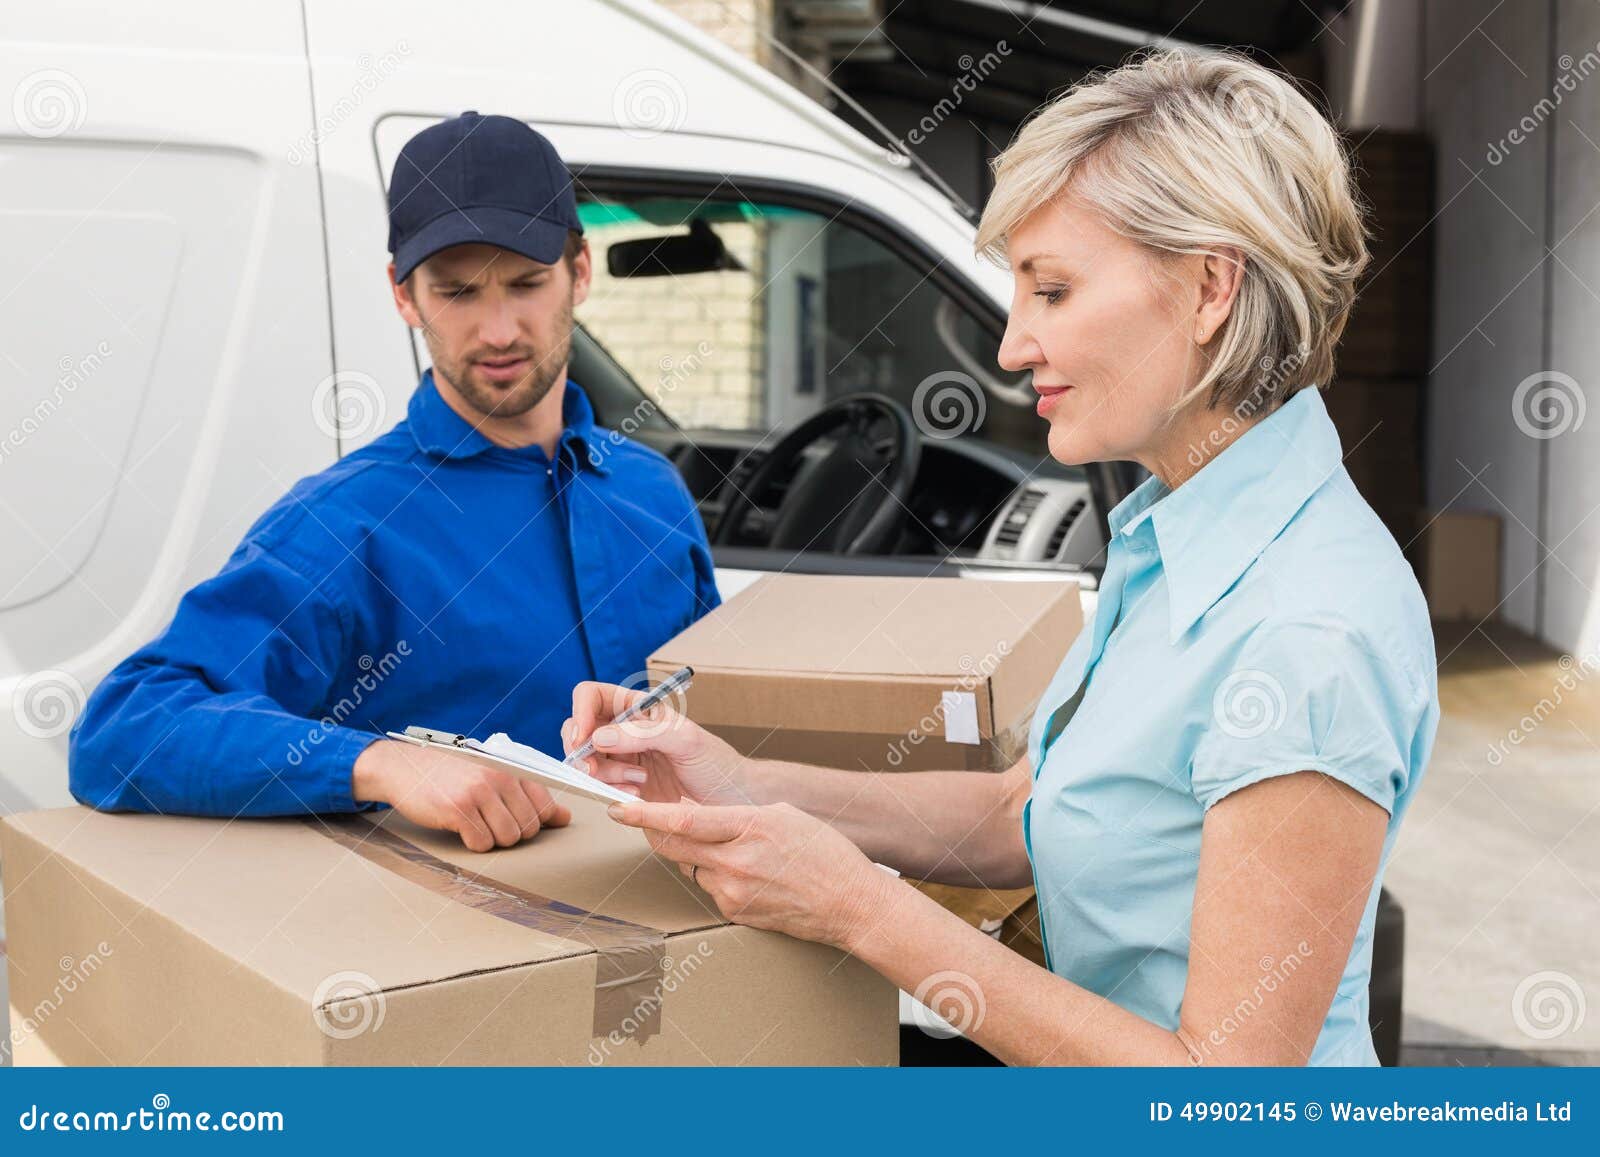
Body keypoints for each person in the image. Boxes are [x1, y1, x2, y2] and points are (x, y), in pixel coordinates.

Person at [566, 50, 1438, 1065]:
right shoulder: (1180, 533)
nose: (1012, 343)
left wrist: (857, 908)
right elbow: (1030, 807)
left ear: (1209, 289)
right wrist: (746, 784)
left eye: (1053, 290)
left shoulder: (1304, 634)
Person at [69, 112, 719, 852]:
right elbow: (124, 728)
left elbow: (717, 722)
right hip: (480, 954)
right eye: (458, 292)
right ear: (403, 295)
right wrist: (382, 763)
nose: (499, 329)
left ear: (580, 272)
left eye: (526, 283)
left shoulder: (653, 492)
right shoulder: (344, 524)